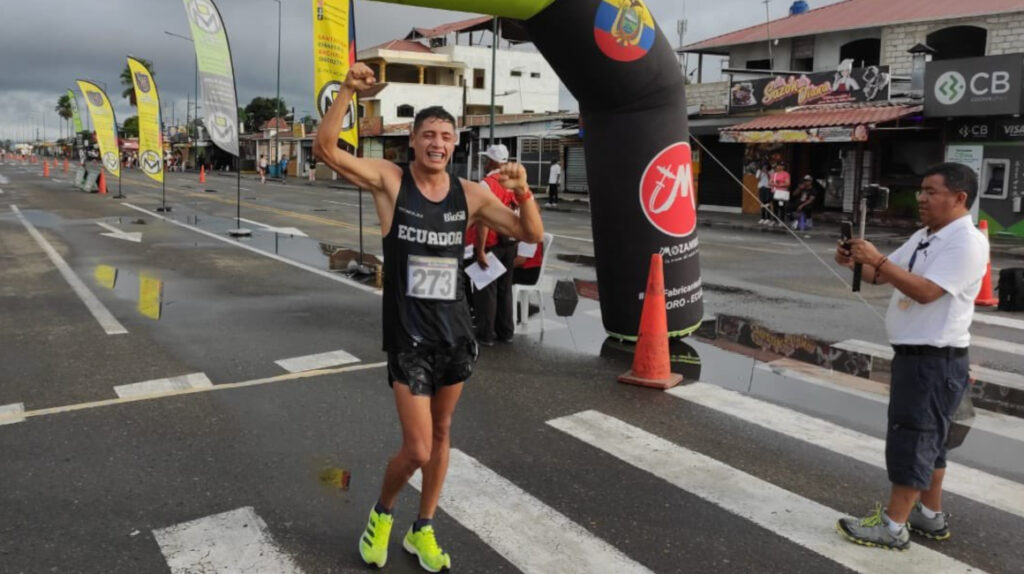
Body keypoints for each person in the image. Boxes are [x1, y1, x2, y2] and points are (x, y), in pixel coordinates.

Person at [314, 62, 543, 572]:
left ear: (454, 145)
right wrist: (347, 91)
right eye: (428, 135)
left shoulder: (472, 195)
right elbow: (326, 150)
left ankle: (424, 528)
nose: (437, 143)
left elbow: (529, 234)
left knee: (442, 436)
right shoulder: (392, 183)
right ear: (413, 142)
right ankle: (383, 512)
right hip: (408, 336)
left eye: (446, 136)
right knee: (417, 447)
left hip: (456, 334)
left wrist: (524, 190)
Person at [834, 162, 988, 551]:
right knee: (932, 442)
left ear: (959, 198)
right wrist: (858, 261)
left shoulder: (966, 242)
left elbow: (926, 292)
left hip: (934, 361)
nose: (921, 198)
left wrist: (878, 259)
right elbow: (883, 276)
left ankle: (893, 526)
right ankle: (929, 515)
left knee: (914, 439)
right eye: (921, 190)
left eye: (930, 191)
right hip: (919, 359)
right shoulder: (926, 236)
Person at [469, 144, 518, 346]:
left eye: (486, 159)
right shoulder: (514, 182)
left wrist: (479, 249)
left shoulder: (486, 185)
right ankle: (506, 331)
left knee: (486, 290)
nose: (485, 162)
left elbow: (483, 222)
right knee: (505, 289)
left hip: (491, 244)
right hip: (510, 243)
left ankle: (485, 334)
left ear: (492, 162)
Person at [770, 162, 791, 227]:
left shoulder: (786, 174)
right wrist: (775, 184)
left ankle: (781, 221)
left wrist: (779, 185)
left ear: (783, 167)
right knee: (775, 207)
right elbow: (770, 182)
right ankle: (774, 220)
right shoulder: (774, 174)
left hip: (782, 192)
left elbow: (788, 183)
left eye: (781, 166)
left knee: (782, 207)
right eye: (778, 166)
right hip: (774, 192)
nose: (779, 167)